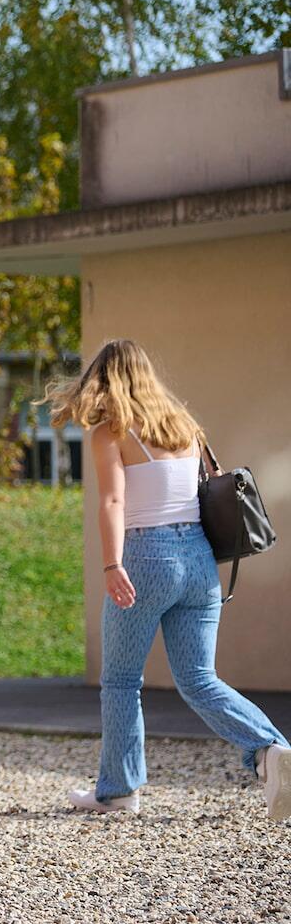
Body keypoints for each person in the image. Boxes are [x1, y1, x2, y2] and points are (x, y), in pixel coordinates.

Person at [45, 339, 289, 819]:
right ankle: (274, 749)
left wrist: (113, 565)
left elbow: (113, 503)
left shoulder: (110, 432)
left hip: (146, 557)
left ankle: (118, 792)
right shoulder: (185, 427)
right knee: (200, 679)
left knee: (119, 682)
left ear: (103, 378)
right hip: (200, 561)